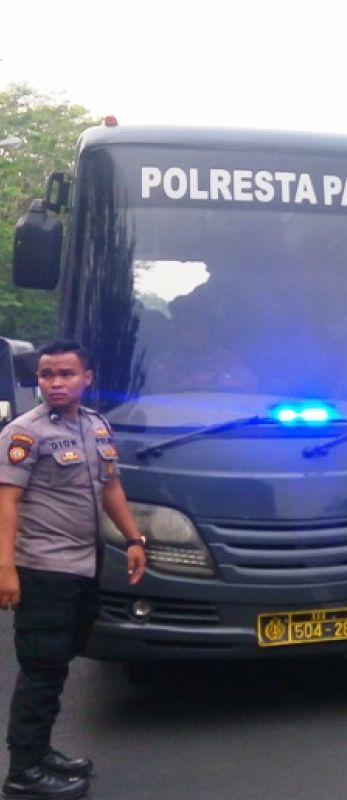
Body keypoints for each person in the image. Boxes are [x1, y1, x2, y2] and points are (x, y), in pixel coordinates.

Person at [0, 340, 148, 800]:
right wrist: (5, 568)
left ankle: (41, 752)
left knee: (57, 665)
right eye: (47, 375)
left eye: (65, 374)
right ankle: (23, 772)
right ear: (38, 381)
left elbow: (112, 488)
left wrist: (134, 538)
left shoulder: (97, 427)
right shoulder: (24, 433)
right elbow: (6, 502)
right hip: (43, 568)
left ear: (87, 378)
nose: (55, 382)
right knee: (41, 668)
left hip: (84, 565)